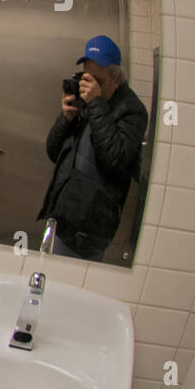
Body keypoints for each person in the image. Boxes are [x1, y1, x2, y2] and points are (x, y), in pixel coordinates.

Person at [37, 35, 148, 261]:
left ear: (116, 78)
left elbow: (115, 159)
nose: (90, 86)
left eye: (98, 80)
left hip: (88, 229)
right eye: (88, 78)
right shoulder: (85, 100)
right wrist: (66, 119)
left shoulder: (133, 110)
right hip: (61, 217)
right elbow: (53, 151)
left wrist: (96, 104)